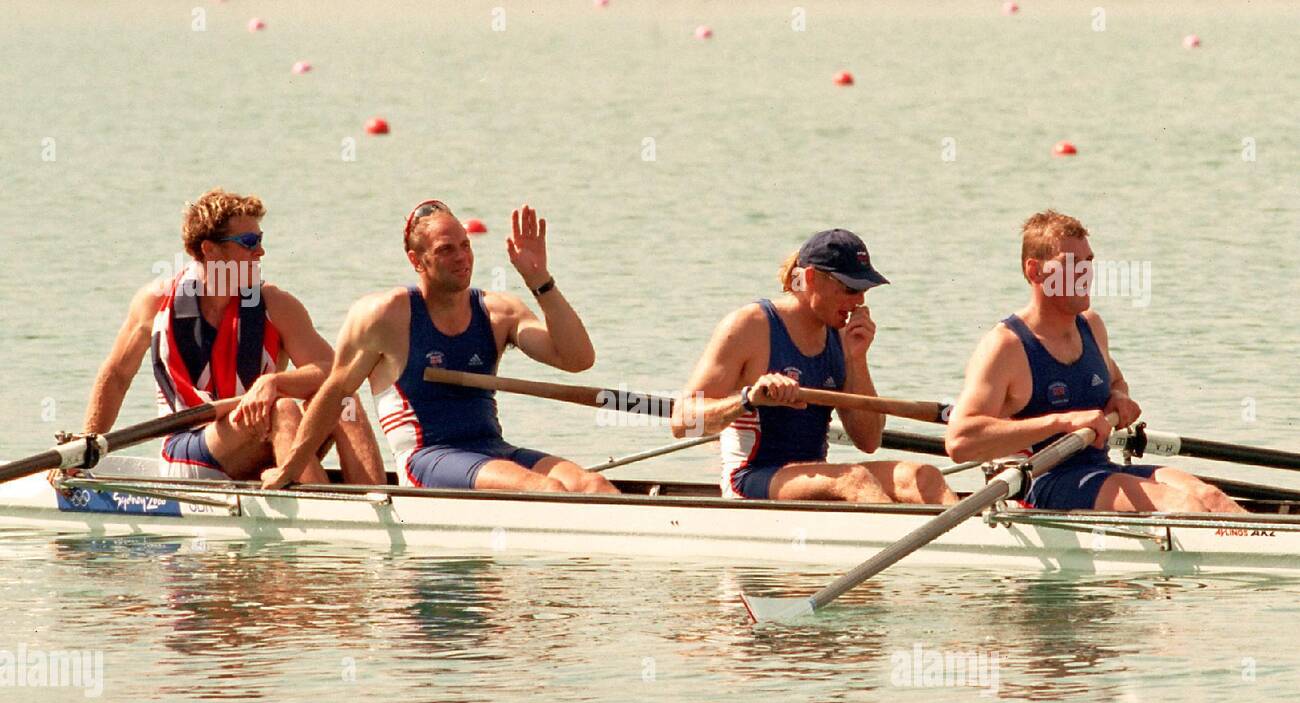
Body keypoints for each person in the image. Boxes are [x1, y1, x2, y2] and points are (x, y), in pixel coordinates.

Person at [261, 200, 615, 493]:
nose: (462, 257)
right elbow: (335, 391)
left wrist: (540, 282)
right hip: (429, 459)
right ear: (417, 261)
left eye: (465, 245)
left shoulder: (498, 313)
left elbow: (578, 360)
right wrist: (289, 468)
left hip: (493, 449)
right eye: (446, 250)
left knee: (593, 484)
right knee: (546, 489)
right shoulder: (384, 315)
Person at [945, 209, 1243, 513]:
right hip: (1042, 481)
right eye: (1071, 264)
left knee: (1210, 498)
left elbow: (1115, 379)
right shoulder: (1006, 345)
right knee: (1180, 504)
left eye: (1088, 262)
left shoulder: (1091, 326)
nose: (1085, 274)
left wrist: (1118, 397)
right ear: (1035, 272)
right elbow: (959, 441)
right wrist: (1063, 422)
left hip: (1099, 471)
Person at [81, 188, 383, 484]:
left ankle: (378, 503)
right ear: (209, 250)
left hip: (261, 431)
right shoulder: (155, 303)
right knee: (285, 408)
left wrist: (274, 381)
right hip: (191, 445)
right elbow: (118, 375)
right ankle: (325, 513)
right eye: (249, 242)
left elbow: (336, 373)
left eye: (260, 240)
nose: (261, 251)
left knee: (343, 400)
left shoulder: (277, 305)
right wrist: (85, 447)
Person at [670, 229, 957, 504]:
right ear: (810, 278)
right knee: (855, 479)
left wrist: (856, 359)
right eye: (849, 288)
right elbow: (683, 422)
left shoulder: (841, 335)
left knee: (923, 477)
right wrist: (748, 399)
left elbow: (868, 440)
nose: (859, 301)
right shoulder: (749, 326)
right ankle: (905, 543)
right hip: (751, 477)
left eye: (864, 289)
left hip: (815, 478)